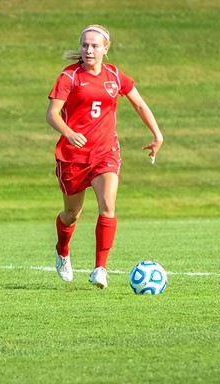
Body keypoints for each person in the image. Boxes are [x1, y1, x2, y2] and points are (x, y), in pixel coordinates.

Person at [46, 24, 163, 289]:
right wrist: (69, 132)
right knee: (71, 214)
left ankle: (100, 269)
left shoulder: (115, 75)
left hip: (105, 152)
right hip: (73, 156)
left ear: (105, 49)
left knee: (108, 205)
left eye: (95, 45)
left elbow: (139, 103)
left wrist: (158, 135)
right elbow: (52, 114)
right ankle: (62, 251)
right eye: (85, 45)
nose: (89, 50)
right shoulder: (70, 76)